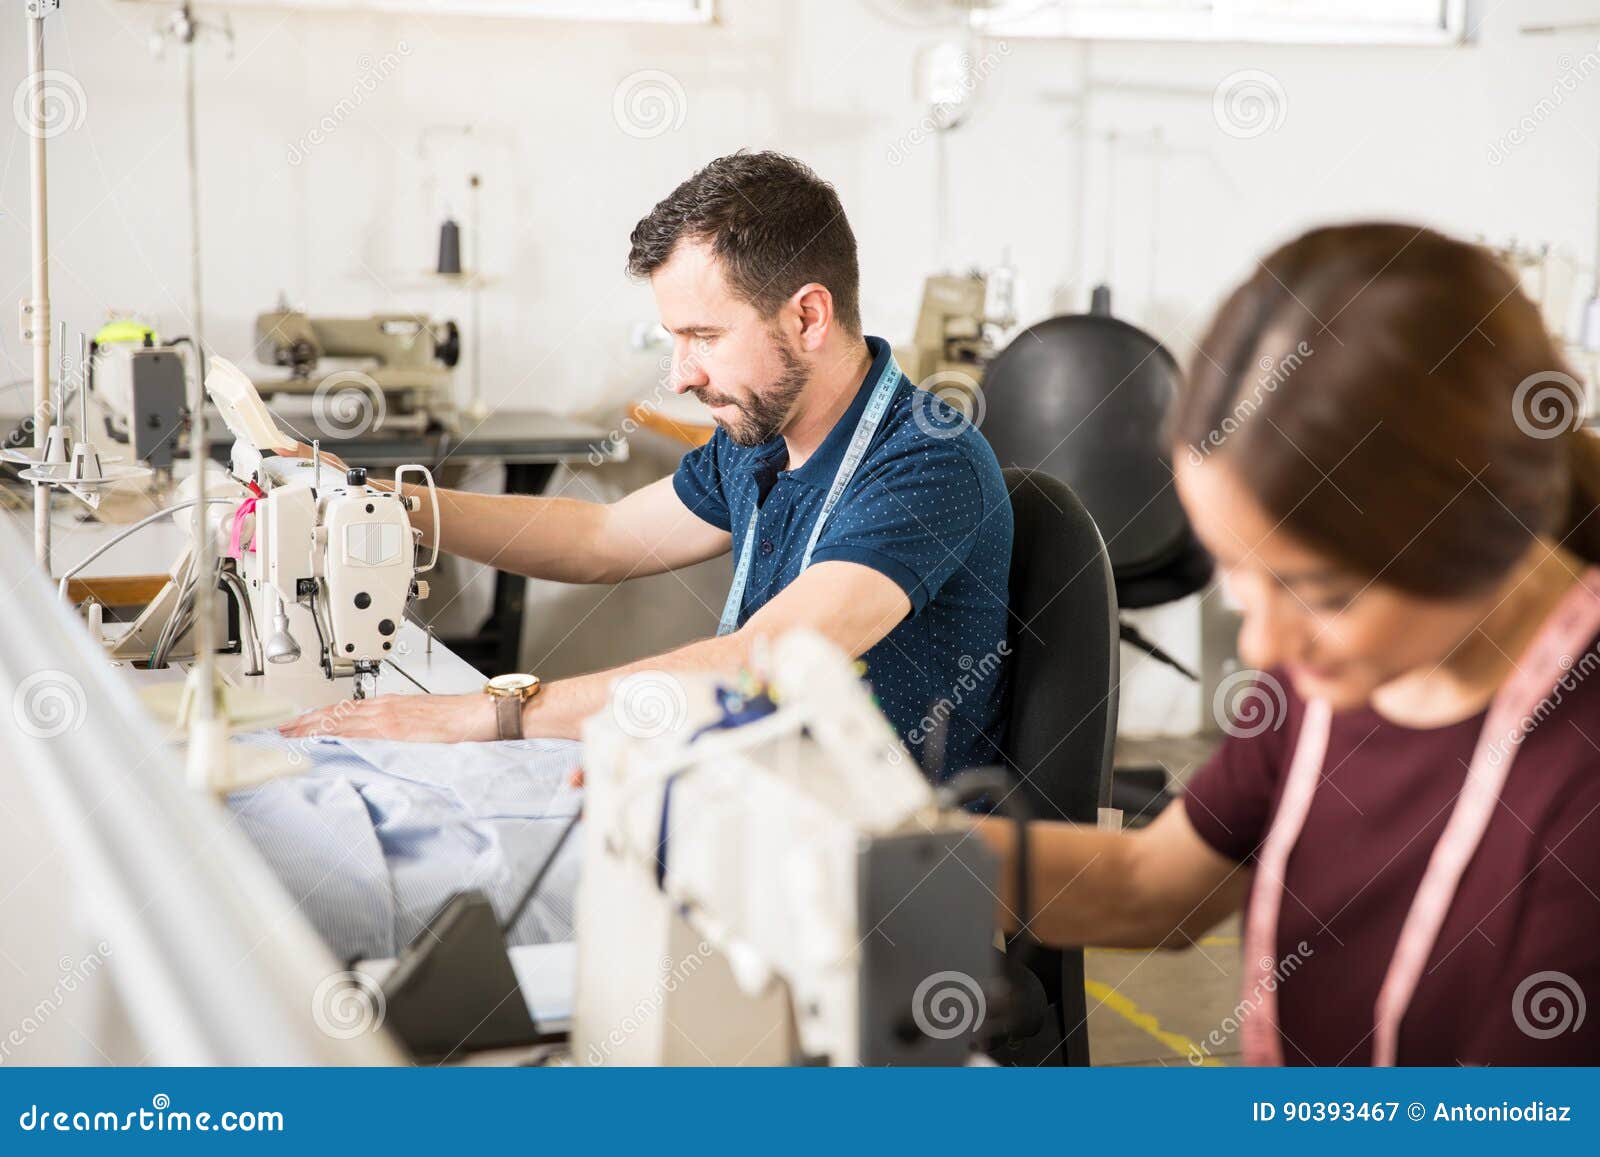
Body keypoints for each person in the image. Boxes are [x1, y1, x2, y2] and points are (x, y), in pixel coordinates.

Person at [980, 224, 1600, 1065]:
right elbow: (1153, 888)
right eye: (1238, 574)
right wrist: (905, 867)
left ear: (1486, 532)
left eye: (1323, 593)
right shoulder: (1328, 677)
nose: (1266, 645)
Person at [282, 151, 1013, 778]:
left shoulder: (927, 460)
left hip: (874, 864)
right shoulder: (758, 438)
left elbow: (766, 659)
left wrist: (489, 714)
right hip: (755, 791)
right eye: (674, 339)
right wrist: (384, 501)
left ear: (808, 317)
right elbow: (598, 539)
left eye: (703, 336)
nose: (682, 376)